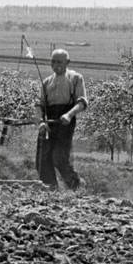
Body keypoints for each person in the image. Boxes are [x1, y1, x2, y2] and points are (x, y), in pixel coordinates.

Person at [36, 48, 87, 190]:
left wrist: (69, 115)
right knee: (42, 158)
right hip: (49, 122)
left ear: (67, 62)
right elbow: (39, 105)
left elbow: (82, 102)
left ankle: (76, 185)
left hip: (66, 122)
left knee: (59, 157)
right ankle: (50, 189)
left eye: (59, 62)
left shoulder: (76, 78)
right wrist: (41, 122)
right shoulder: (46, 82)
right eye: (53, 62)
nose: (56, 65)